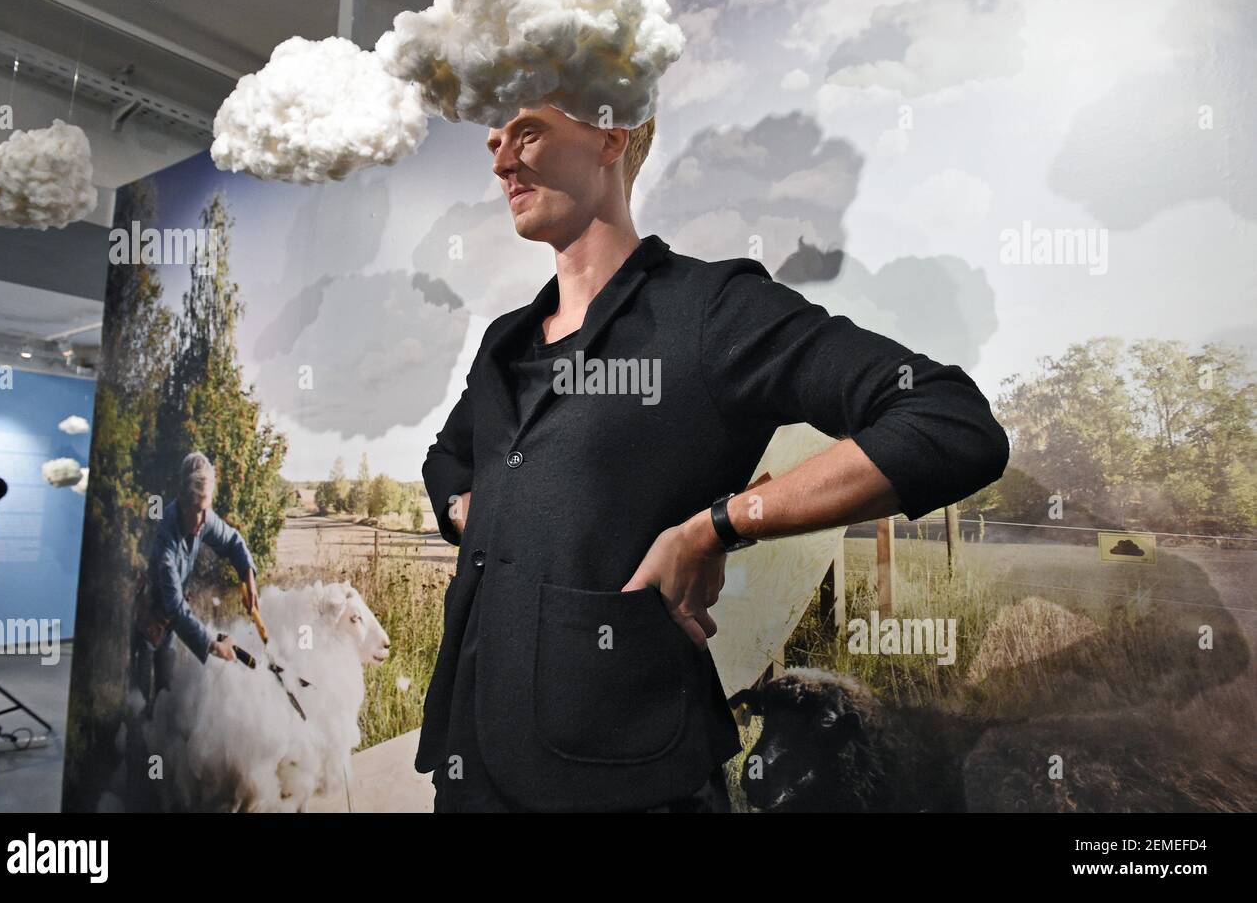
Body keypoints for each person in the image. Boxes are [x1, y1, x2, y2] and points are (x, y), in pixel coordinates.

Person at [418, 104, 1011, 812]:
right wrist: (471, 514)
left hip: (629, 775)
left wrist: (717, 526)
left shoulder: (711, 309)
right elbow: (447, 459)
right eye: (494, 142)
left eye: (528, 133)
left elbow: (948, 421)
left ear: (610, 137)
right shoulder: (504, 342)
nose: (501, 162)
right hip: (468, 761)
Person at [128, 451, 259, 715]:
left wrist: (248, 576)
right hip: (148, 620)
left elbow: (233, 541)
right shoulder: (165, 542)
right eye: (197, 511)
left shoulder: (202, 516)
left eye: (206, 509)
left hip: (171, 623)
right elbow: (176, 607)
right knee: (138, 703)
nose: (202, 521)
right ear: (182, 500)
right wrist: (214, 646)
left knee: (165, 695)